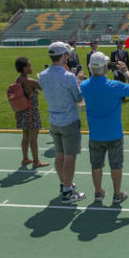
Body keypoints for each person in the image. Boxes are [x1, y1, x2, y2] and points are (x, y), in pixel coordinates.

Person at [80, 51, 129, 204]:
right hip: (114, 133)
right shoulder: (114, 85)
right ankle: (117, 193)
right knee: (116, 165)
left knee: (96, 165)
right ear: (106, 68)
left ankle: (98, 192)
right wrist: (126, 72)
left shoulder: (84, 86)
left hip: (95, 134)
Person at [39, 42, 86, 204]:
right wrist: (78, 81)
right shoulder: (68, 77)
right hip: (69, 119)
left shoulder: (42, 75)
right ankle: (67, 191)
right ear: (64, 56)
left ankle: (64, 183)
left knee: (59, 154)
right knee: (69, 157)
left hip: (54, 119)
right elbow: (78, 98)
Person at [14, 57, 49, 169]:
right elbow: (44, 88)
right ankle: (36, 161)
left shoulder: (17, 80)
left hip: (22, 111)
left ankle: (25, 158)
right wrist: (41, 77)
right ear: (24, 68)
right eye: (29, 65)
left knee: (25, 136)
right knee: (33, 139)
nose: (31, 67)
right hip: (32, 112)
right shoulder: (31, 82)